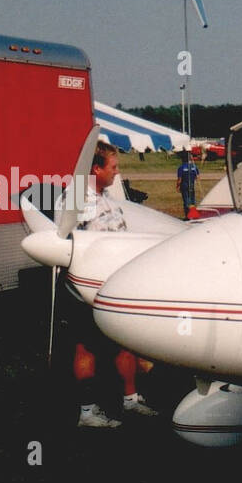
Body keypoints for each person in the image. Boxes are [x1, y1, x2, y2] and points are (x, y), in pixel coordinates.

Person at [71, 142, 158, 427]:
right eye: (113, 167)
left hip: (117, 286)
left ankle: (130, 400)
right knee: (87, 348)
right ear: (96, 168)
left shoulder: (107, 198)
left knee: (125, 343)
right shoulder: (77, 203)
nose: (116, 173)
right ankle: (88, 411)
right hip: (90, 288)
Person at [176, 150, 199, 217]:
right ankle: (193, 214)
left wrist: (177, 186)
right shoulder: (194, 167)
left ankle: (188, 216)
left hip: (184, 186)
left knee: (186, 201)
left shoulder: (181, 167)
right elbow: (197, 177)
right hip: (191, 185)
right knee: (192, 200)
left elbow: (179, 180)